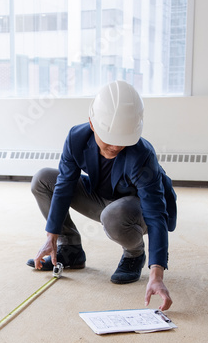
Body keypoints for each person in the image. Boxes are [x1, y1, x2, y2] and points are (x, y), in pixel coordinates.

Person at [28, 80, 177, 311]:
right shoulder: (76, 138)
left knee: (113, 215)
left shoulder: (142, 155)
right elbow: (64, 185)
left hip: (135, 211)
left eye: (122, 140)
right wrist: (52, 236)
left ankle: (134, 254)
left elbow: (156, 214)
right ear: (92, 124)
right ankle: (71, 249)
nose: (116, 146)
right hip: (103, 197)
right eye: (109, 138)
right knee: (43, 179)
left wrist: (157, 274)